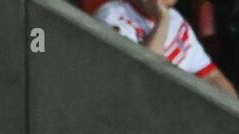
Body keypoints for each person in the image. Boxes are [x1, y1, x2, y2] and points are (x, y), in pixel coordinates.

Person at [93, 0, 238, 97]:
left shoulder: (177, 20)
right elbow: (142, 75)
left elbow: (211, 76)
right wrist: (162, 20)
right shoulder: (112, 15)